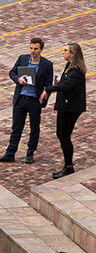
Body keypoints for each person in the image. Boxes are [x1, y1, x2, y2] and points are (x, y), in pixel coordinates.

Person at [0, 37, 54, 164]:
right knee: (16, 128)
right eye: (31, 48)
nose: (33, 51)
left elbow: (49, 85)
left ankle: (30, 152)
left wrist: (44, 96)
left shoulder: (47, 65)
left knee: (34, 128)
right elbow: (12, 73)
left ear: (41, 49)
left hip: (34, 101)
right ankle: (10, 153)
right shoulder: (23, 58)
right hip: (21, 99)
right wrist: (18, 79)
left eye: (36, 49)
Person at [42, 42, 87, 179]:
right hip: (65, 106)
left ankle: (69, 167)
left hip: (71, 108)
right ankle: (68, 166)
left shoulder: (76, 70)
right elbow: (65, 83)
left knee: (64, 136)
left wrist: (48, 89)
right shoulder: (70, 67)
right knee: (61, 134)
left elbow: (67, 85)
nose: (63, 52)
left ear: (72, 54)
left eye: (65, 50)